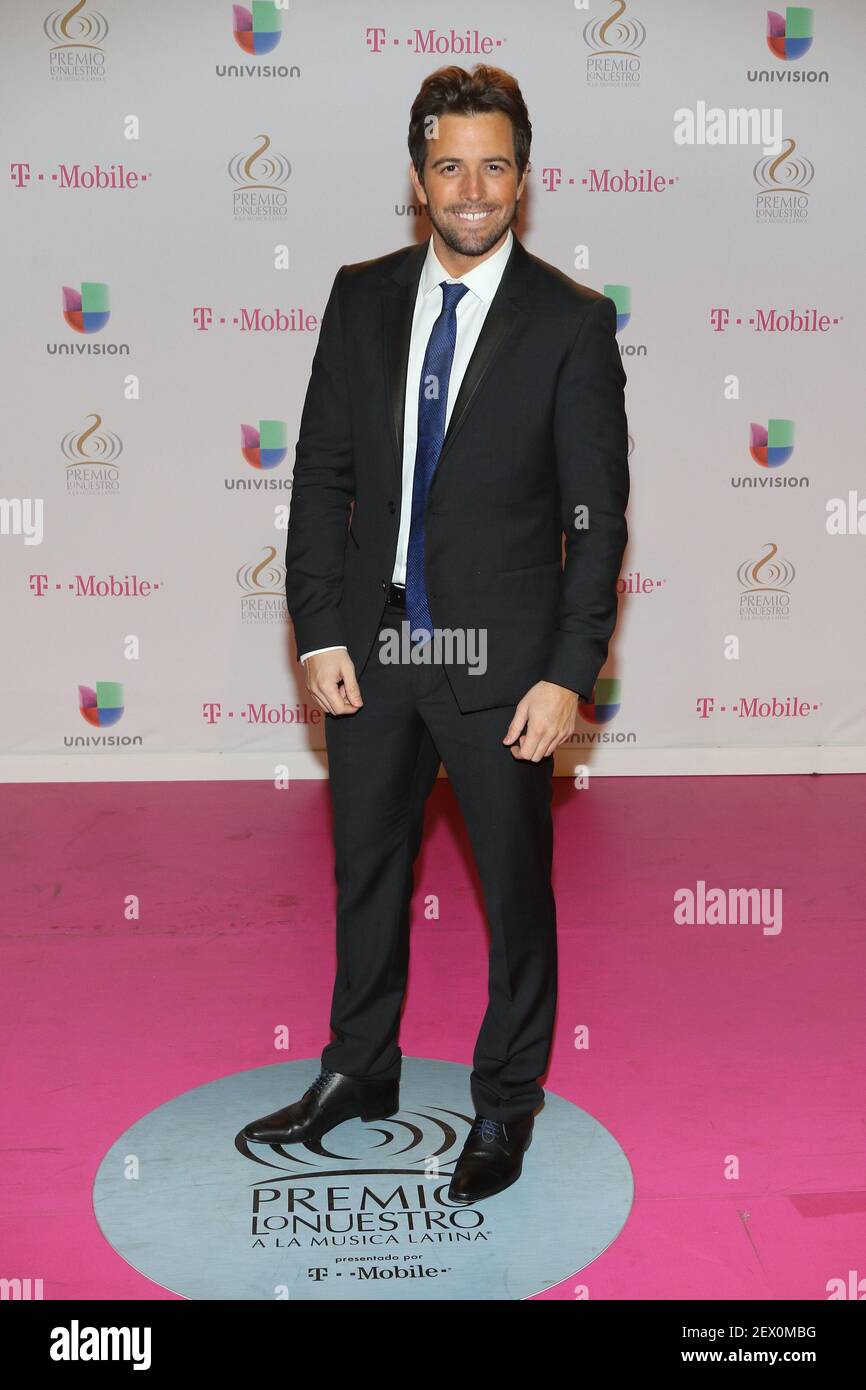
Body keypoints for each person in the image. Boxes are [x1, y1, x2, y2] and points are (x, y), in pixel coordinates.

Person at [243, 63, 629, 1204]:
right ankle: (357, 1070)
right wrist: (317, 628)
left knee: (515, 892)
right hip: (374, 653)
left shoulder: (569, 322)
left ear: (523, 176)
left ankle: (504, 1101)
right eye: (449, 164)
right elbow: (320, 474)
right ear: (416, 176)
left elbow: (594, 520)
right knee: (365, 875)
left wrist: (568, 672)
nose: (472, 189)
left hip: (501, 667)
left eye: (494, 165)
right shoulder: (359, 296)